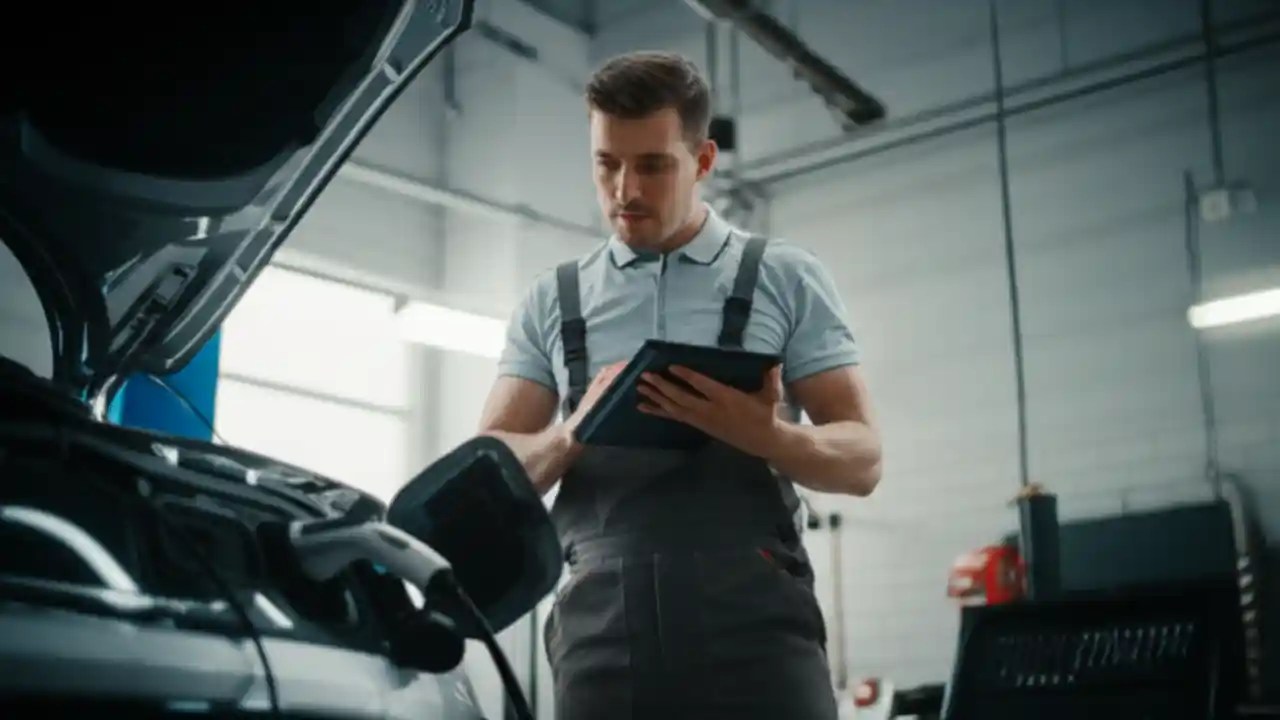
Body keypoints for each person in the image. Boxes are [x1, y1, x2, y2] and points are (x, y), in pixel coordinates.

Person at [477, 50, 882, 720]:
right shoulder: (553, 301)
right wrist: (572, 434)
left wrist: (768, 435)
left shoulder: (784, 278)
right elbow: (488, 474)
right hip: (600, 631)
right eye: (606, 163)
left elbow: (864, 461)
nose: (625, 190)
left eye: (653, 165)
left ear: (702, 161)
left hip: (757, 627)